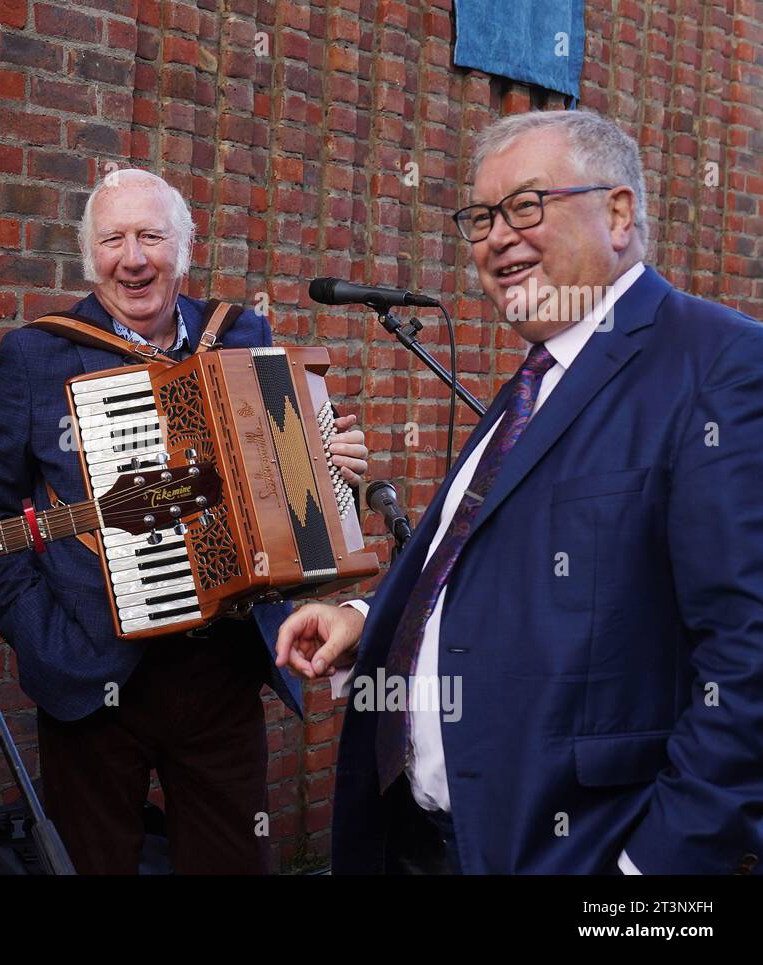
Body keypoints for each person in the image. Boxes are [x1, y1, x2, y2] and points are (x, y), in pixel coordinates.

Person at [277, 110, 763, 874]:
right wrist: (368, 621)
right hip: (429, 839)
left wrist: (651, 873)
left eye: (527, 205)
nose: (497, 236)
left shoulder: (717, 366)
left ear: (619, 213)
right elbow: (508, 568)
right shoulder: (537, 378)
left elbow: (747, 656)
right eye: (480, 216)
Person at [0, 168, 369, 874]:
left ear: (183, 248)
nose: (133, 256)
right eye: (113, 239)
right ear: (92, 257)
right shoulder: (37, 353)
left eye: (151, 235)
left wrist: (333, 466)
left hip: (220, 669)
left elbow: (284, 483)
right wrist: (37, 630)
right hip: (91, 668)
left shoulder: (239, 332)